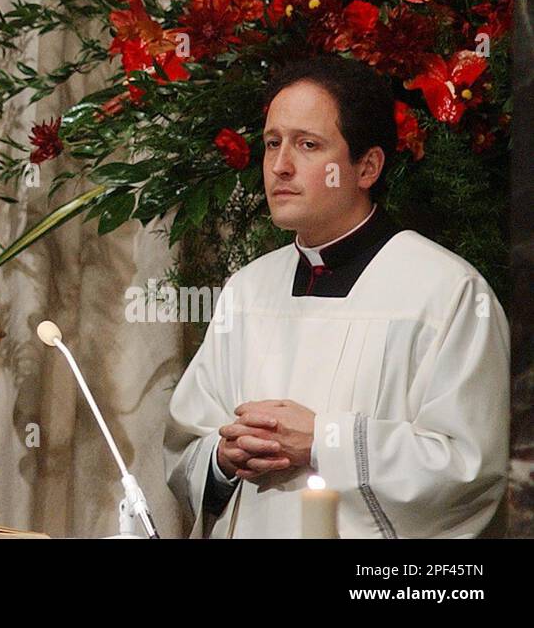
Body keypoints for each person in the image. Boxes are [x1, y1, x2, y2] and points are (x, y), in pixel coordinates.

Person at [164, 55, 509, 538]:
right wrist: (222, 458)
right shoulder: (247, 290)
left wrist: (326, 441)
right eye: (271, 144)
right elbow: (187, 446)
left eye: (308, 145)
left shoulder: (446, 292)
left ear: (367, 167)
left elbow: (468, 472)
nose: (281, 166)